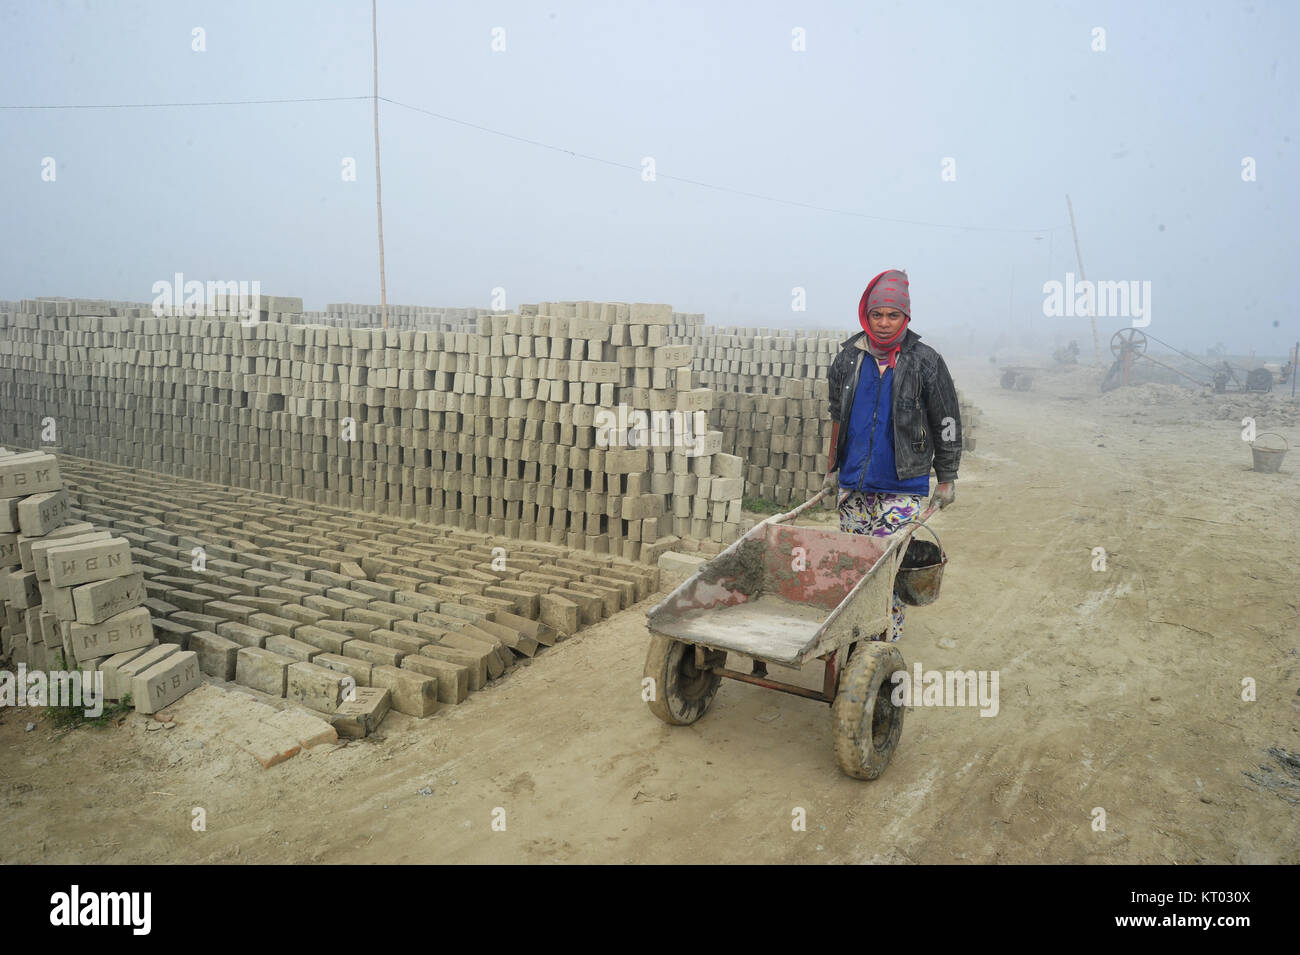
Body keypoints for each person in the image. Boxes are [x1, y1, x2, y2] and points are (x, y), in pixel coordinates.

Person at [821, 268, 961, 642]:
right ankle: (856, 634)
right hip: (854, 485)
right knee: (855, 567)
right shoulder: (848, 360)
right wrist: (833, 466)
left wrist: (946, 478)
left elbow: (946, 421)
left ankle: (883, 643)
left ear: (906, 318)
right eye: (876, 315)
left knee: (886, 569)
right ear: (865, 315)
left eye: (892, 315)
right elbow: (838, 415)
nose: (883, 324)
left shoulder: (925, 363)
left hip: (902, 485)